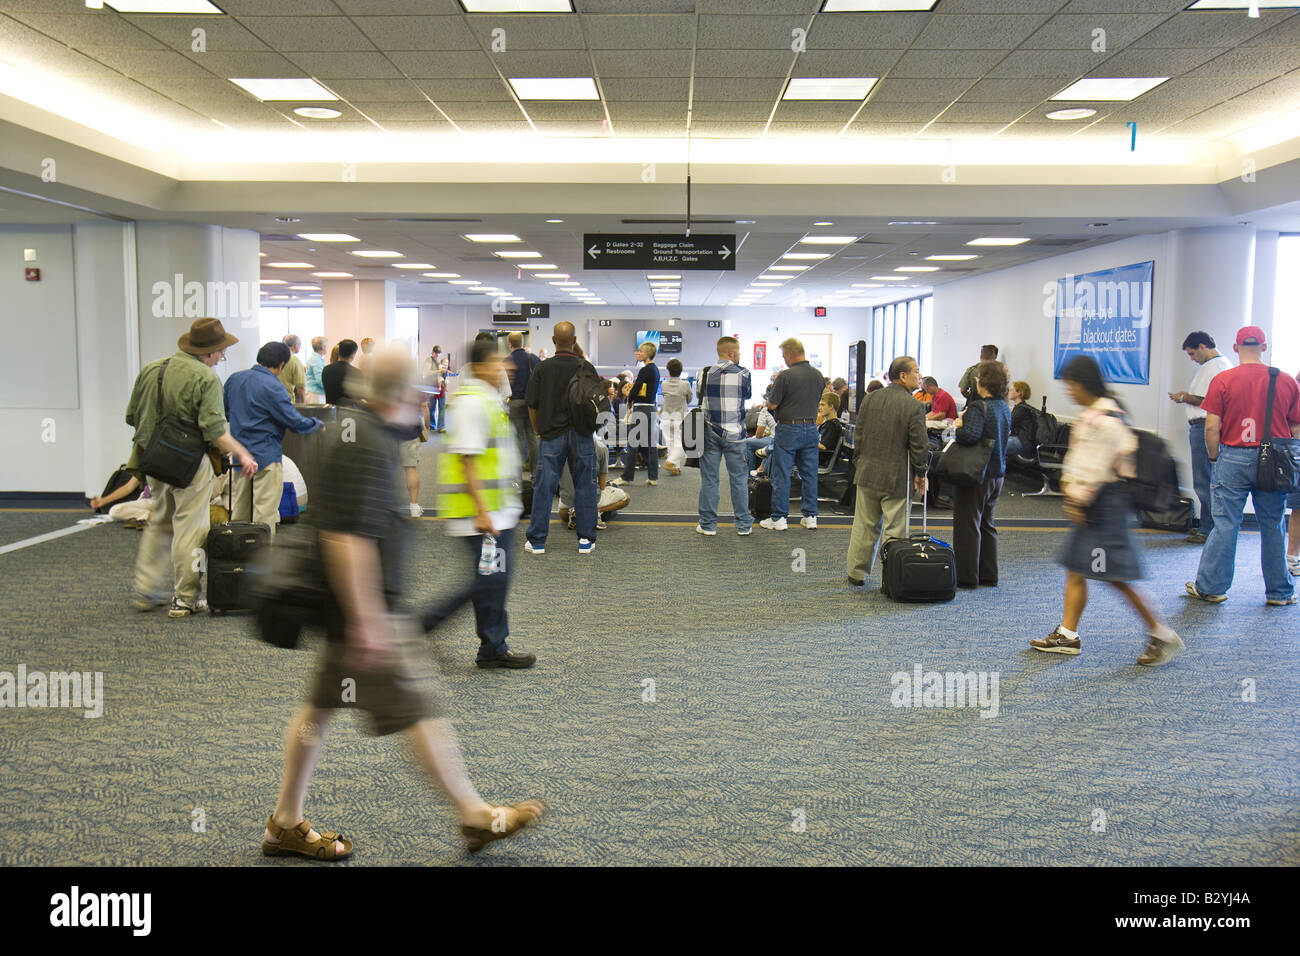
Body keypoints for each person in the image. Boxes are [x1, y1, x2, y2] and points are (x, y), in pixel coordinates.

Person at [262, 347, 544, 862]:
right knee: (418, 708)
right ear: (406, 395)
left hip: (351, 608)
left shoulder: (361, 433)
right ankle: (474, 815)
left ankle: (284, 822)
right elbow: (347, 540)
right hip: (365, 610)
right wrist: (369, 622)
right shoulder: (365, 444)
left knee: (318, 712)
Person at [1032, 355, 1184, 665]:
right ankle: (1068, 634)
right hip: (1097, 504)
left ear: (1085, 383)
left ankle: (1162, 634)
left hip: (1103, 506)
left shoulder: (1104, 421)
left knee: (1115, 576)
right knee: (1076, 567)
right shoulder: (1099, 415)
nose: (1069, 392)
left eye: (1072, 385)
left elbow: (1096, 469)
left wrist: (1076, 500)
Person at [126, 318, 258, 618]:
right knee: (190, 530)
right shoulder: (206, 379)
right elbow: (215, 432)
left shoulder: (151, 369)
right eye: (221, 351)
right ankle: (185, 598)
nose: (222, 357)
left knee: (159, 522)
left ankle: (145, 589)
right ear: (209, 352)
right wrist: (243, 454)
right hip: (189, 464)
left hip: (152, 459)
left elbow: (132, 416)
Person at [419, 339, 535, 670]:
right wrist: (483, 512)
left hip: (497, 511)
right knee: (489, 579)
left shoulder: (488, 400)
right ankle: (424, 628)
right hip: (480, 514)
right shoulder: (471, 403)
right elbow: (467, 460)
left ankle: (492, 646)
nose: (508, 367)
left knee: (490, 578)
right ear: (483, 367)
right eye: (501, 362)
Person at [1186, 326, 1300, 606]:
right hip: (1274, 460)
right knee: (1273, 525)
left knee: (1225, 524)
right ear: (1264, 346)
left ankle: (1212, 588)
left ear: (1235, 348)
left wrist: (1215, 458)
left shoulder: (1224, 379)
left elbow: (1212, 427)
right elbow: (1295, 427)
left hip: (1233, 456)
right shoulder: (1285, 380)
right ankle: (1279, 593)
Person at [223, 341, 325, 541]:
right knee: (264, 515)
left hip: (239, 458)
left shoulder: (234, 380)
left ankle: (237, 563)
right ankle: (260, 565)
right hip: (265, 456)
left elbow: (226, 413)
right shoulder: (273, 386)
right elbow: (294, 422)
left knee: (240, 514)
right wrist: (316, 424)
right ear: (281, 365)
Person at [845, 356, 930, 586]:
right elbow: (919, 445)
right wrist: (921, 473)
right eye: (916, 371)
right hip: (896, 477)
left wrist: (859, 463)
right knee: (895, 530)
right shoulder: (914, 406)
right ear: (903, 376)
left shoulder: (870, 399)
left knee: (864, 525)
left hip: (867, 472)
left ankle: (856, 572)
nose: (919, 376)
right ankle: (892, 577)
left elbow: (858, 436)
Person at [524, 322, 599, 555]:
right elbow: (598, 404)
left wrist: (538, 430)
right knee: (585, 486)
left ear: (554, 340)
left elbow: (532, 404)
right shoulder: (586, 367)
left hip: (551, 436)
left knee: (544, 487)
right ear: (575, 339)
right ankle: (585, 540)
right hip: (582, 436)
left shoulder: (542, 368)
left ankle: (537, 541)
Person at [950, 361, 1011, 588]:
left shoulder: (978, 407)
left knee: (968, 525)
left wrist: (958, 424)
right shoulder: (1004, 407)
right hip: (998, 473)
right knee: (987, 524)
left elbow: (969, 435)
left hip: (977, 474)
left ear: (982, 382)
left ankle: (967, 577)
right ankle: (988, 574)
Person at [1169, 332, 1234, 544]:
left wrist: (1184, 397)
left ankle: (1208, 529)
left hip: (1205, 426)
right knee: (1206, 480)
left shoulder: (1217, 366)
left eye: (1192, 353)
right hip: (1201, 426)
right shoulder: (1213, 366)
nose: (1191, 358)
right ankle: (1209, 528)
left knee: (1205, 481)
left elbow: (1209, 401)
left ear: (1202, 346)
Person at [760, 338, 823, 531]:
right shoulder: (818, 375)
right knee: (810, 474)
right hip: (812, 428)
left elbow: (772, 404)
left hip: (788, 428)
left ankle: (779, 518)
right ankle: (810, 516)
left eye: (783, 356)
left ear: (788, 354)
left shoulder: (785, 376)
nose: (784, 360)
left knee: (783, 473)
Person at [696, 336, 752, 536]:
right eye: (738, 351)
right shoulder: (744, 373)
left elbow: (700, 397)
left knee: (710, 479)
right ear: (731, 352)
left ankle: (708, 525)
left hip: (710, 431)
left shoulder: (703, 373)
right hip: (735, 434)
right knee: (738, 479)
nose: (739, 355)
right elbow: (746, 396)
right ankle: (743, 525)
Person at [612, 341, 661, 487]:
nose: (637, 353)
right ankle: (653, 477)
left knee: (633, 444)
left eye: (640, 351)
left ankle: (626, 477)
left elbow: (635, 389)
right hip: (650, 408)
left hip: (641, 409)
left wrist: (629, 398)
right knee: (651, 444)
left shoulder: (645, 370)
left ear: (646, 353)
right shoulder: (655, 369)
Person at [505, 332, 539, 476]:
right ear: (522, 342)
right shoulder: (534, 359)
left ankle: (517, 476)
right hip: (532, 404)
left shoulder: (507, 361)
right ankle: (535, 474)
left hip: (515, 402)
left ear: (509, 344)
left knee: (517, 438)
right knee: (532, 437)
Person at [660, 358, 691, 476]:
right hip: (680, 416)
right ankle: (671, 462)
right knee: (682, 444)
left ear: (668, 371)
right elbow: (689, 399)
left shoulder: (663, 384)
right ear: (681, 370)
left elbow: (664, 396)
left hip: (666, 416)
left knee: (671, 443)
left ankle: (675, 467)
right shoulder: (685, 384)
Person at [322, 339, 358, 405]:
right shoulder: (355, 373)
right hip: (349, 413)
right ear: (353, 355)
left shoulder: (326, 369)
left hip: (330, 410)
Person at [1006, 380, 1036, 459]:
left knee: (995, 447)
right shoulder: (1021, 407)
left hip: (1022, 442)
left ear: (1019, 392)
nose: (1009, 392)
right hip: (1022, 440)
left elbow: (1007, 424)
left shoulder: (1020, 409)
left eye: (1011, 390)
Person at [817, 392, 843, 468]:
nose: (820, 408)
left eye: (823, 405)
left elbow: (823, 446)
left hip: (820, 460)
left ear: (831, 406)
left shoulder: (832, 425)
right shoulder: (828, 423)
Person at [278, 335, 307, 404]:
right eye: (300, 345)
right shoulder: (294, 360)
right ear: (295, 345)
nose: (300, 347)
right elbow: (300, 387)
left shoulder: (276, 357)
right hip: (287, 400)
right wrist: (304, 404)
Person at [426, 346, 448, 432]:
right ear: (433, 352)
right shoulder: (429, 360)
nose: (437, 355)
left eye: (439, 353)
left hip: (440, 386)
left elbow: (442, 372)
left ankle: (441, 427)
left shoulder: (438, 362)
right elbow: (427, 372)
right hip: (431, 386)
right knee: (432, 407)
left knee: (442, 407)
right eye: (436, 353)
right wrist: (439, 371)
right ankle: (432, 426)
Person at [304, 336, 328, 403]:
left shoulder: (315, 358)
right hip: (315, 394)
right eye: (326, 346)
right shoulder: (316, 360)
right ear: (323, 347)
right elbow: (320, 380)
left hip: (314, 393)